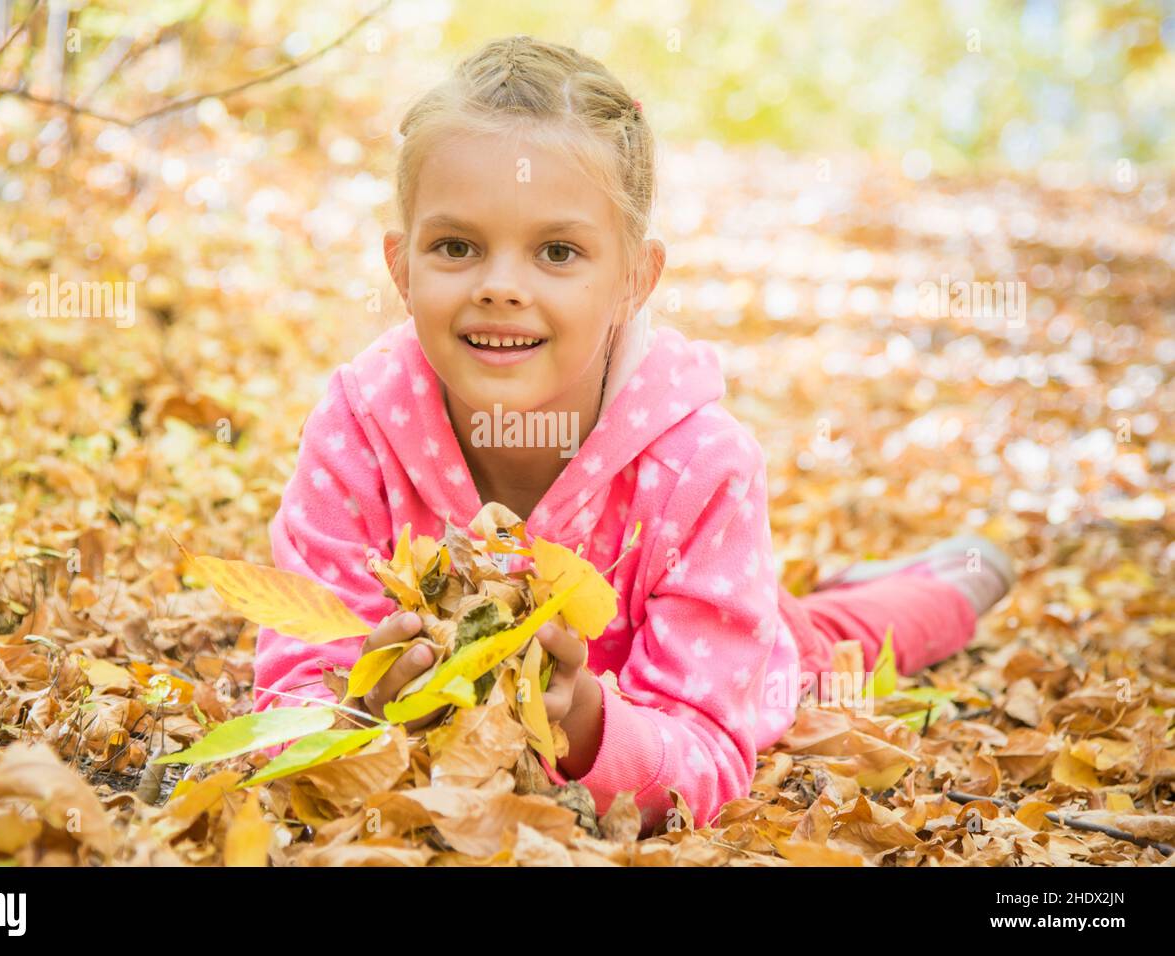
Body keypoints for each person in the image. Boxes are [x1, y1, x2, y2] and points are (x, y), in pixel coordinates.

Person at [252, 35, 1015, 835]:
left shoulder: (701, 469)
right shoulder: (359, 433)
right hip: (698, 610)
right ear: (401, 267)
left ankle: (949, 580)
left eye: (557, 252)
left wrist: (585, 722)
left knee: (836, 642)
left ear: (634, 280)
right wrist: (360, 713)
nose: (501, 287)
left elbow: (708, 750)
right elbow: (290, 690)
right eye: (456, 247)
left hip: (745, 653)